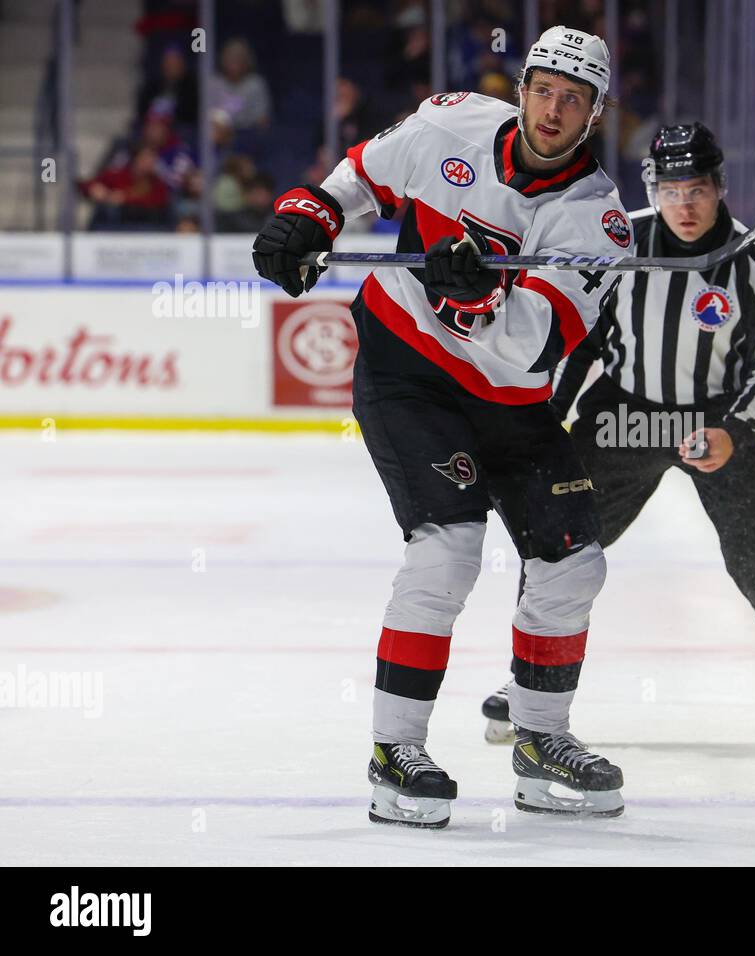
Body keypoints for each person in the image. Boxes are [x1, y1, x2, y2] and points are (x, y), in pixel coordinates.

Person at [252, 26, 632, 827]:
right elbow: (360, 176)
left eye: (574, 99)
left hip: (514, 400)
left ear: (594, 116)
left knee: (574, 565)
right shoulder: (450, 121)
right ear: (521, 86)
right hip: (408, 374)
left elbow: (532, 348)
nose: (553, 109)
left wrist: (478, 297)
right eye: (543, 89)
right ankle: (395, 752)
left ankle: (539, 739)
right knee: (449, 547)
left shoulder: (598, 221)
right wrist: (308, 216)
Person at [480, 123, 755, 753]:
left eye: (697, 189)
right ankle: (530, 681)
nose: (685, 206)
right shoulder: (622, 246)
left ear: (719, 188)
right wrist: (549, 412)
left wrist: (734, 430)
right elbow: (580, 335)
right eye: (671, 191)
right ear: (653, 190)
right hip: (624, 416)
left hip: (715, 421)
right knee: (561, 544)